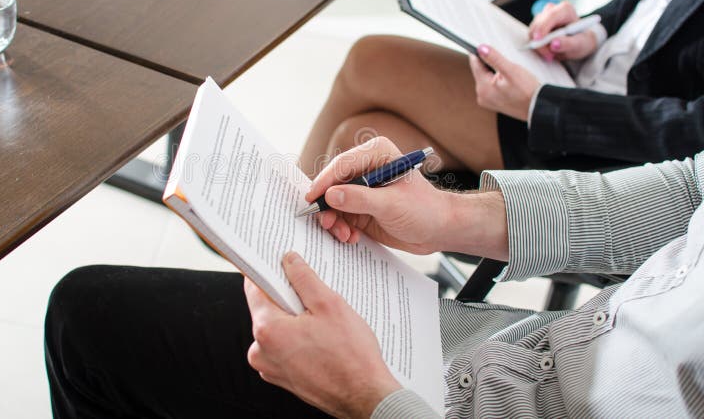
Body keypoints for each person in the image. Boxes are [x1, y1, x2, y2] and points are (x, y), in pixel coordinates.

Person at [45, 137, 704, 417]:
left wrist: (363, 395)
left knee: (89, 325)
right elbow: (689, 191)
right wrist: (449, 213)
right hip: (535, 346)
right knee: (94, 308)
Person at [299, 0, 704, 179]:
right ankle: (291, 280)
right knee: (356, 141)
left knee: (371, 61)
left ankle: (267, 251)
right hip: (575, 82)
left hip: (611, 150)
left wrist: (542, 106)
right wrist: (593, 29)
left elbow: (692, 134)